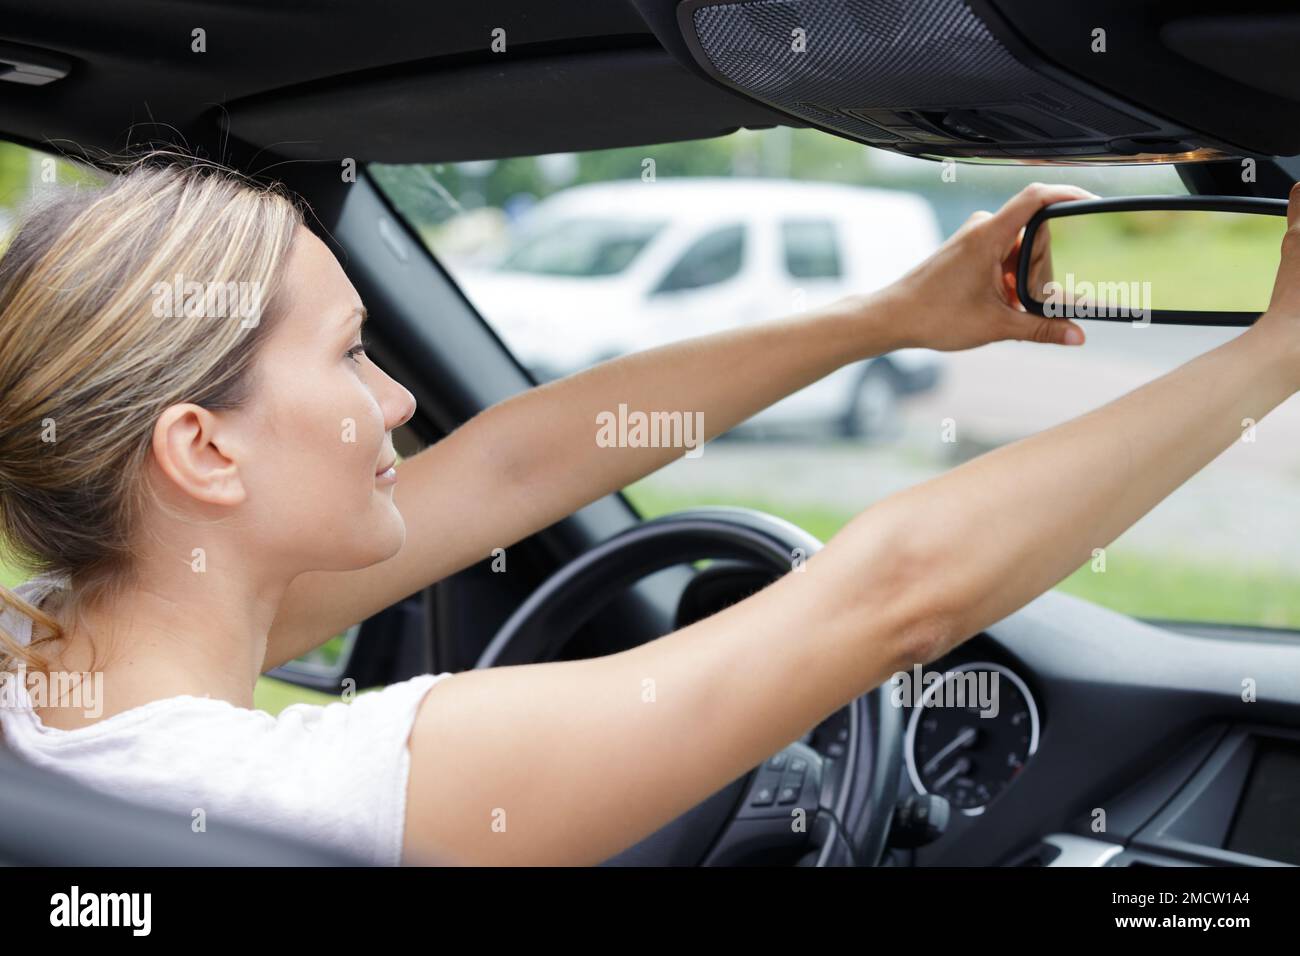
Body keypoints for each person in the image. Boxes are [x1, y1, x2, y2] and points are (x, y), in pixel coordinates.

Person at [2, 152, 1296, 866]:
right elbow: (896, 595)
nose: (400, 400)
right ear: (202, 453)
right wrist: (1267, 355)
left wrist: (888, 317)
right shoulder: (311, 798)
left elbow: (510, 472)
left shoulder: (42, 684)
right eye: (350, 355)